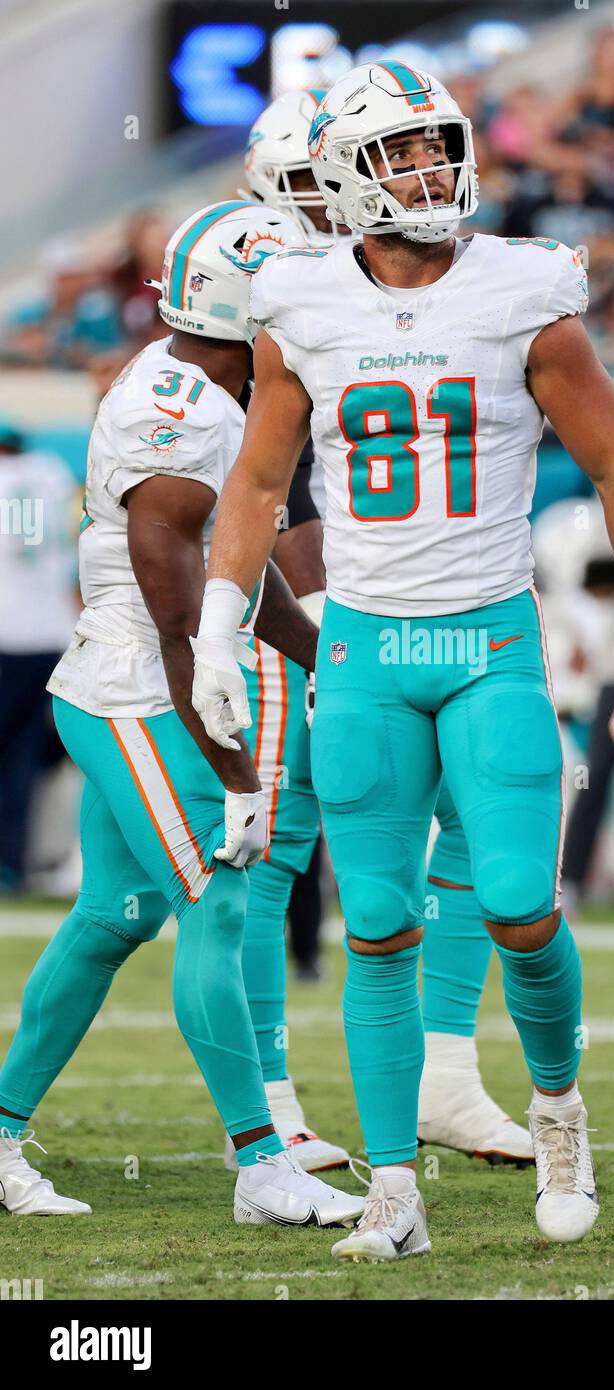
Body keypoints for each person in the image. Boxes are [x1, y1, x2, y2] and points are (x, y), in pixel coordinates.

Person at [191, 64, 614, 1262]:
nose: (429, 173)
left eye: (437, 147)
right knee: (373, 923)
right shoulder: (299, 299)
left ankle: (558, 1111)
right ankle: (394, 1192)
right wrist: (217, 624)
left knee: (519, 902)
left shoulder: (528, 290)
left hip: (486, 641)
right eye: (401, 155)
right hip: (362, 649)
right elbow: (259, 479)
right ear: (349, 180)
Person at [0, 201, 364, 1231]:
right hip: (134, 686)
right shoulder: (183, 411)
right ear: (250, 302)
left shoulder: (221, 385)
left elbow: (236, 577)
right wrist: (238, 773)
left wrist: (329, 657)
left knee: (116, 917)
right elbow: (178, 618)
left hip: (139, 677)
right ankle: (259, 1160)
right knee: (221, 892)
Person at [242, 89, 535, 1165]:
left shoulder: (434, 274)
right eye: (376, 161)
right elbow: (252, 476)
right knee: (277, 848)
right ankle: (264, 1102)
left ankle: (445, 1070)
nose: (406, 179)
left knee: (469, 825)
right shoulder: (277, 276)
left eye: (421, 153)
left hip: (408, 596)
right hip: (291, 588)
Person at [0, 422, 77, 893]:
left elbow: (22, 544)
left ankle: (11, 861)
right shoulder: (50, 471)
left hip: (11, 633)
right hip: (50, 636)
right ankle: (13, 862)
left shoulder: (20, 481)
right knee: (23, 757)